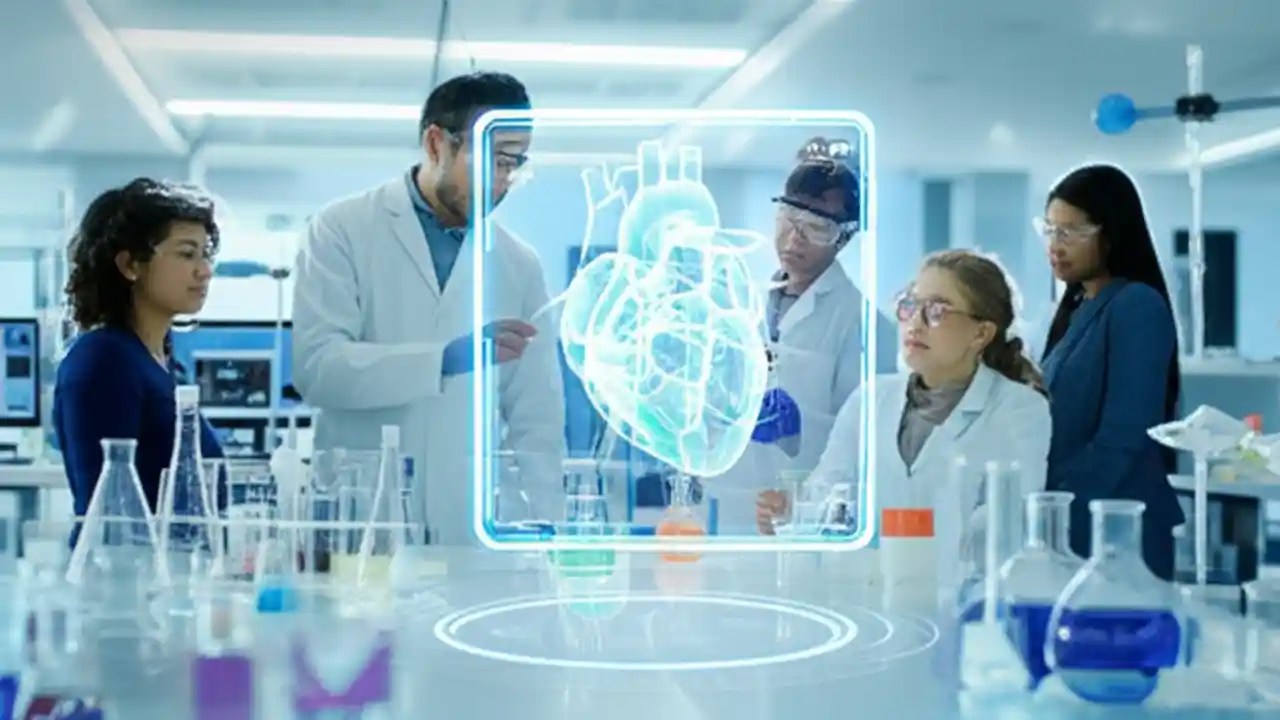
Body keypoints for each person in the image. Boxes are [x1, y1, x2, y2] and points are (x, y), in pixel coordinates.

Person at [292, 71, 565, 546]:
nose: (502, 181)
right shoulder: (341, 230)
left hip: (469, 525)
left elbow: (536, 418)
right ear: (437, 143)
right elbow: (319, 370)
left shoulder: (519, 263)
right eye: (493, 160)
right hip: (360, 518)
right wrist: (444, 360)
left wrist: (549, 534)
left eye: (514, 165)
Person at [756, 249, 1050, 535]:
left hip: (967, 583)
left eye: (938, 311)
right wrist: (792, 512)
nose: (915, 324)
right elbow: (828, 494)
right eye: (910, 305)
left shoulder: (1020, 409)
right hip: (872, 580)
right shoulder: (869, 400)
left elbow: (1009, 520)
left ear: (981, 333)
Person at [710, 138, 897, 533]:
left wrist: (807, 499)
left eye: (817, 229)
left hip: (801, 519)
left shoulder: (863, 325)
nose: (795, 240)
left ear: (844, 238)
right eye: (789, 221)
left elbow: (862, 447)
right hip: (725, 510)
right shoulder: (743, 303)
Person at [1038, 164, 1184, 580]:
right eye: (1049, 230)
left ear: (1110, 232)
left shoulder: (1136, 305)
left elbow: (1124, 436)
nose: (1056, 244)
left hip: (1116, 531)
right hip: (1078, 526)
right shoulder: (1078, 309)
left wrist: (1056, 515)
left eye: (1070, 232)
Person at [54, 178, 225, 516]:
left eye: (205, 255)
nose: (204, 271)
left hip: (174, 565)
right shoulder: (105, 361)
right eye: (187, 254)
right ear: (130, 265)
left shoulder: (162, 362)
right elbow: (109, 516)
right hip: (128, 568)